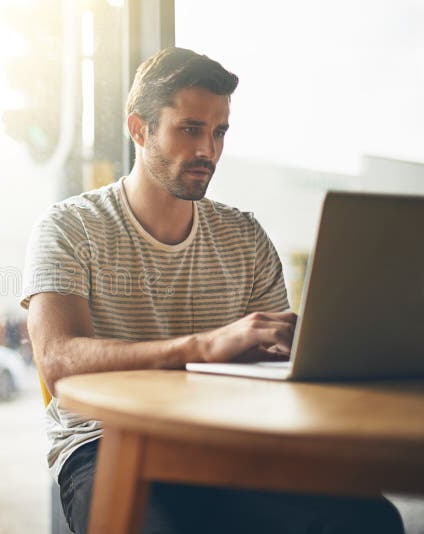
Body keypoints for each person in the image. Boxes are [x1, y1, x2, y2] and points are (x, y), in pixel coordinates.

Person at [20, 47, 403, 534]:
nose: (208, 150)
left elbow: (277, 361)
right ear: (139, 129)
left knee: (370, 519)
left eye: (218, 132)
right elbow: (57, 360)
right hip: (104, 443)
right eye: (189, 129)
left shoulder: (245, 237)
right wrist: (200, 348)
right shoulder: (68, 227)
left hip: (227, 442)